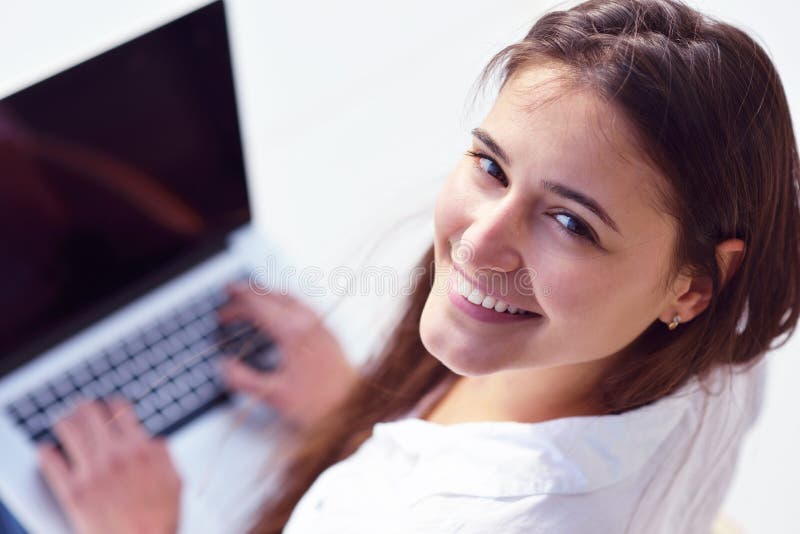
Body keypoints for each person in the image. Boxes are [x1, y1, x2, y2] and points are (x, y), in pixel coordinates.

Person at [33, 0, 800, 532]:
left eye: (570, 222)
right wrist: (357, 404)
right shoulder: (723, 351)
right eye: (492, 167)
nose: (477, 244)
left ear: (693, 285)